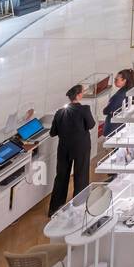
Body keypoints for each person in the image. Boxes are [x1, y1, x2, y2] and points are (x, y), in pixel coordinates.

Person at [48, 83, 96, 215]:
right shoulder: (84, 109)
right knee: (81, 175)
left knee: (61, 177)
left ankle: (54, 209)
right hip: (81, 147)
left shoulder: (59, 112)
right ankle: (78, 207)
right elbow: (91, 125)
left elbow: (53, 132)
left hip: (64, 148)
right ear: (79, 95)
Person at [102, 68, 134, 140]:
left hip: (115, 126)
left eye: (116, 80)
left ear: (124, 80)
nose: (114, 81)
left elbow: (107, 111)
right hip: (123, 125)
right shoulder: (132, 90)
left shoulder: (120, 95)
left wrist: (105, 110)